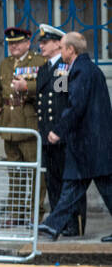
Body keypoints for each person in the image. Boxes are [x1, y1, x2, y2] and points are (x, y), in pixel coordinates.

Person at [38, 31, 112, 243]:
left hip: (90, 143)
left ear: (71, 50)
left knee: (103, 188)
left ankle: (53, 226)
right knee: (72, 186)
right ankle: (53, 226)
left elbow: (76, 106)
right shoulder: (88, 68)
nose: (60, 51)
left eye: (62, 47)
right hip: (90, 143)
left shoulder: (80, 70)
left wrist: (58, 130)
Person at [34, 24, 84, 236]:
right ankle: (57, 222)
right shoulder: (44, 69)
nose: (41, 46)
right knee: (53, 180)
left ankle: (73, 223)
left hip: (60, 135)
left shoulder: (62, 69)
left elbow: (63, 102)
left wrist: (58, 131)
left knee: (67, 181)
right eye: (41, 43)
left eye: (45, 42)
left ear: (57, 44)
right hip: (47, 134)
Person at [0, 26, 43, 225]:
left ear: (28, 43)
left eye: (18, 43)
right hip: (9, 125)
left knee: (36, 172)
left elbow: (52, 86)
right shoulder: (5, 64)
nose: (13, 46)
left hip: (29, 124)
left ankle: (36, 214)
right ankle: (16, 214)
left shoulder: (39, 62)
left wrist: (27, 87)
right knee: (15, 173)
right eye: (11, 43)